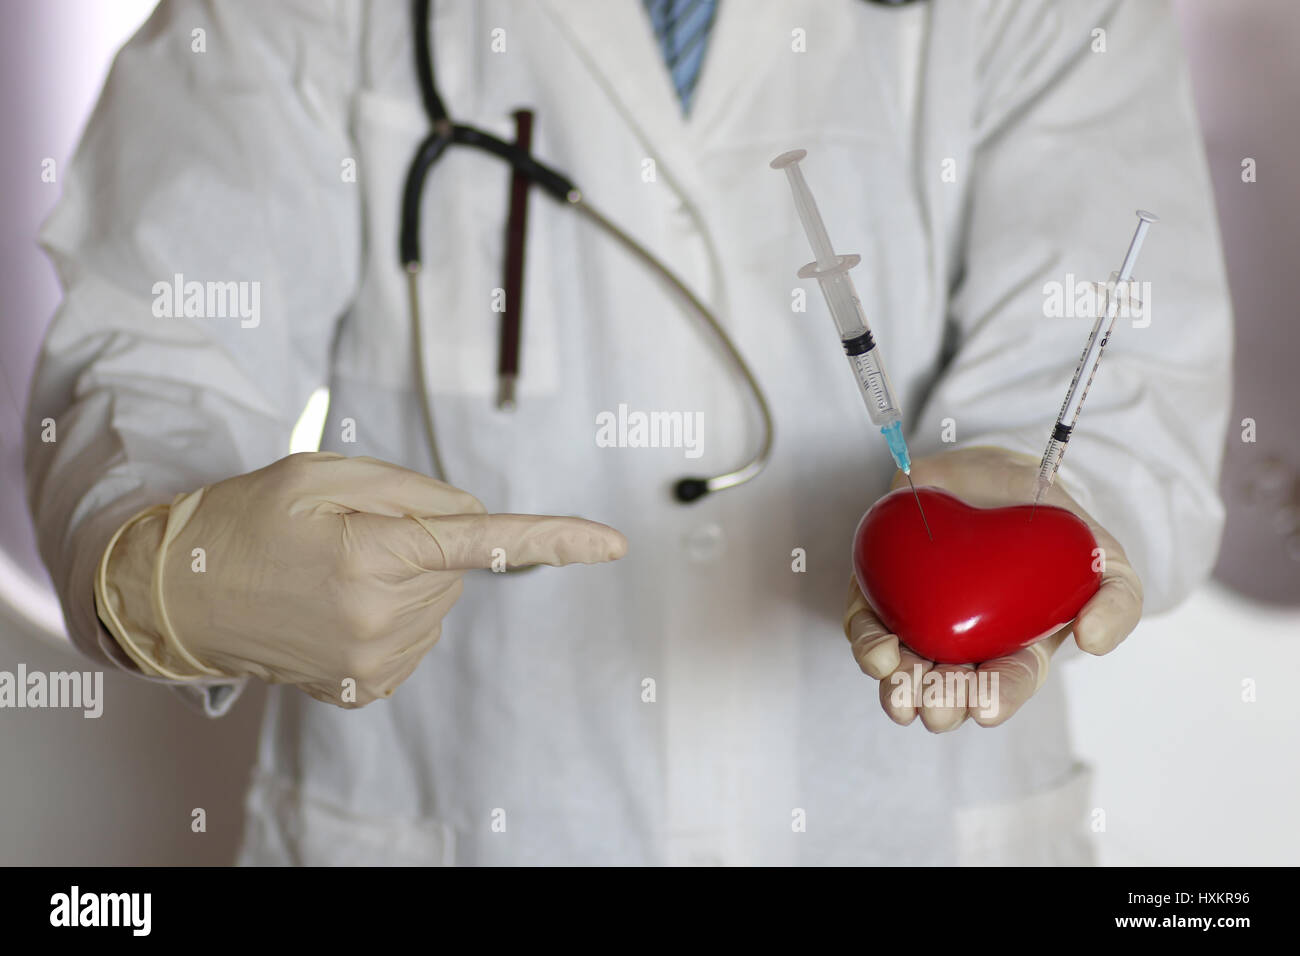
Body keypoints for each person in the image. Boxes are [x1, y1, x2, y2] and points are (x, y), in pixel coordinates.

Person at [26, 0, 1230, 865]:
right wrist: (166, 565)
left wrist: (1013, 490)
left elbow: (1121, 370)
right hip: (454, 809)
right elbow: (152, 346)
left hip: (912, 826)